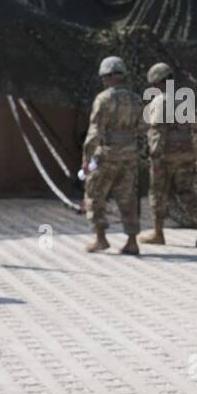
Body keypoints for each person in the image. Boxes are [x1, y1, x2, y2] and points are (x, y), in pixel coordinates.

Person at [141, 62, 197, 247]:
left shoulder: (160, 101)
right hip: (186, 153)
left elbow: (158, 130)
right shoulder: (183, 99)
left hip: (166, 156)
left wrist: (153, 154)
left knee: (157, 192)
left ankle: (158, 233)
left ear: (158, 82)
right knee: (185, 191)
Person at [82, 56, 144, 255]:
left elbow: (94, 132)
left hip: (106, 156)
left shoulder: (104, 99)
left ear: (106, 76)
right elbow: (143, 127)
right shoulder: (136, 99)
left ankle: (101, 239)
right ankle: (132, 241)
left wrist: (86, 159)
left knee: (95, 195)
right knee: (128, 197)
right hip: (129, 155)